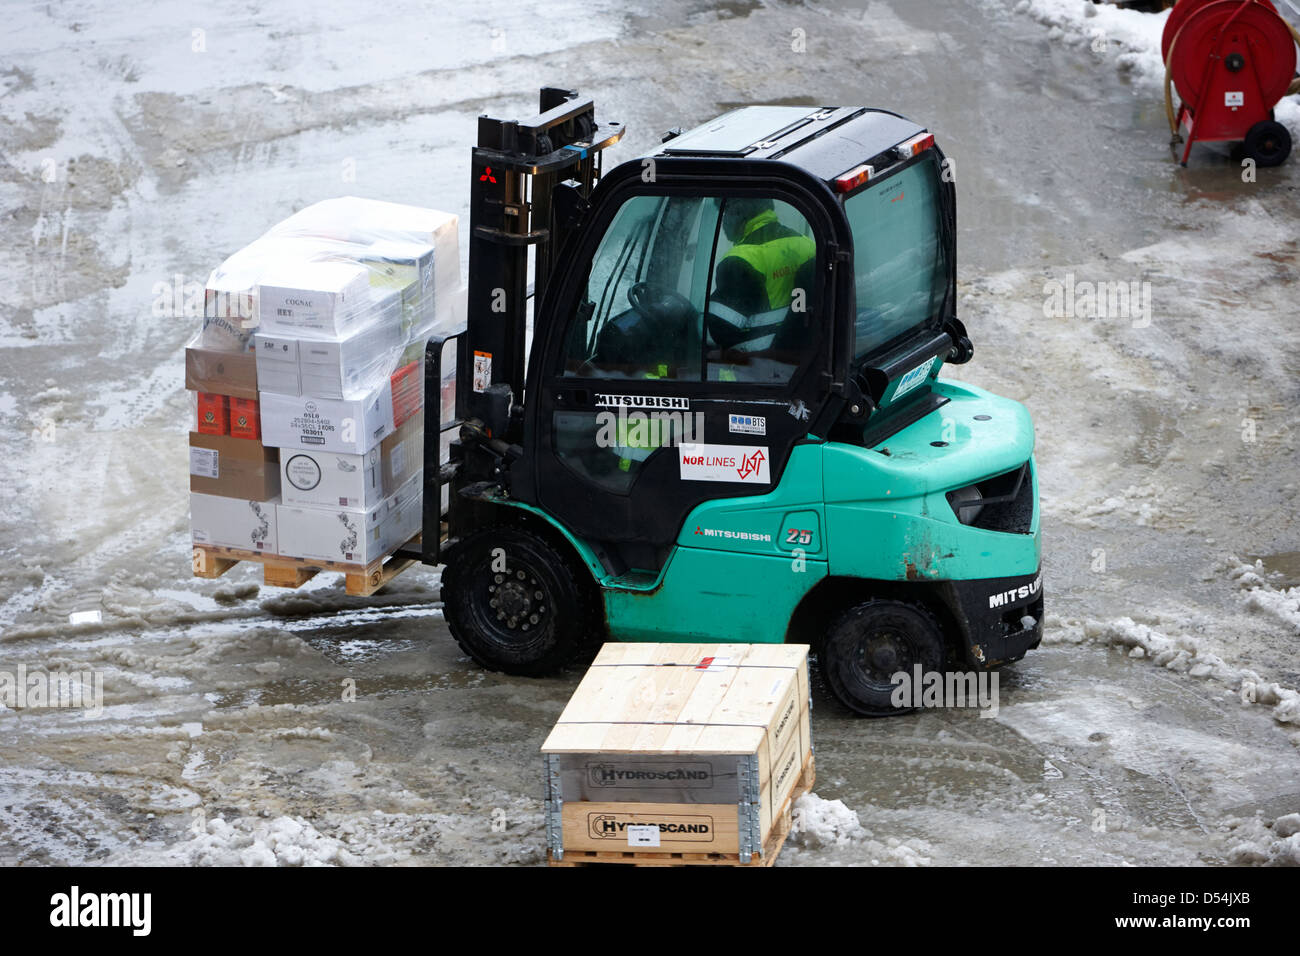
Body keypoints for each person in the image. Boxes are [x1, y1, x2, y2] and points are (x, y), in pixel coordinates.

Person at [707, 198, 817, 364]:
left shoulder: (739, 260)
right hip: (801, 362)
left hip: (757, 368)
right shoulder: (808, 245)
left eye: (724, 213)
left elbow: (720, 331)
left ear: (737, 212)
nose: (723, 221)